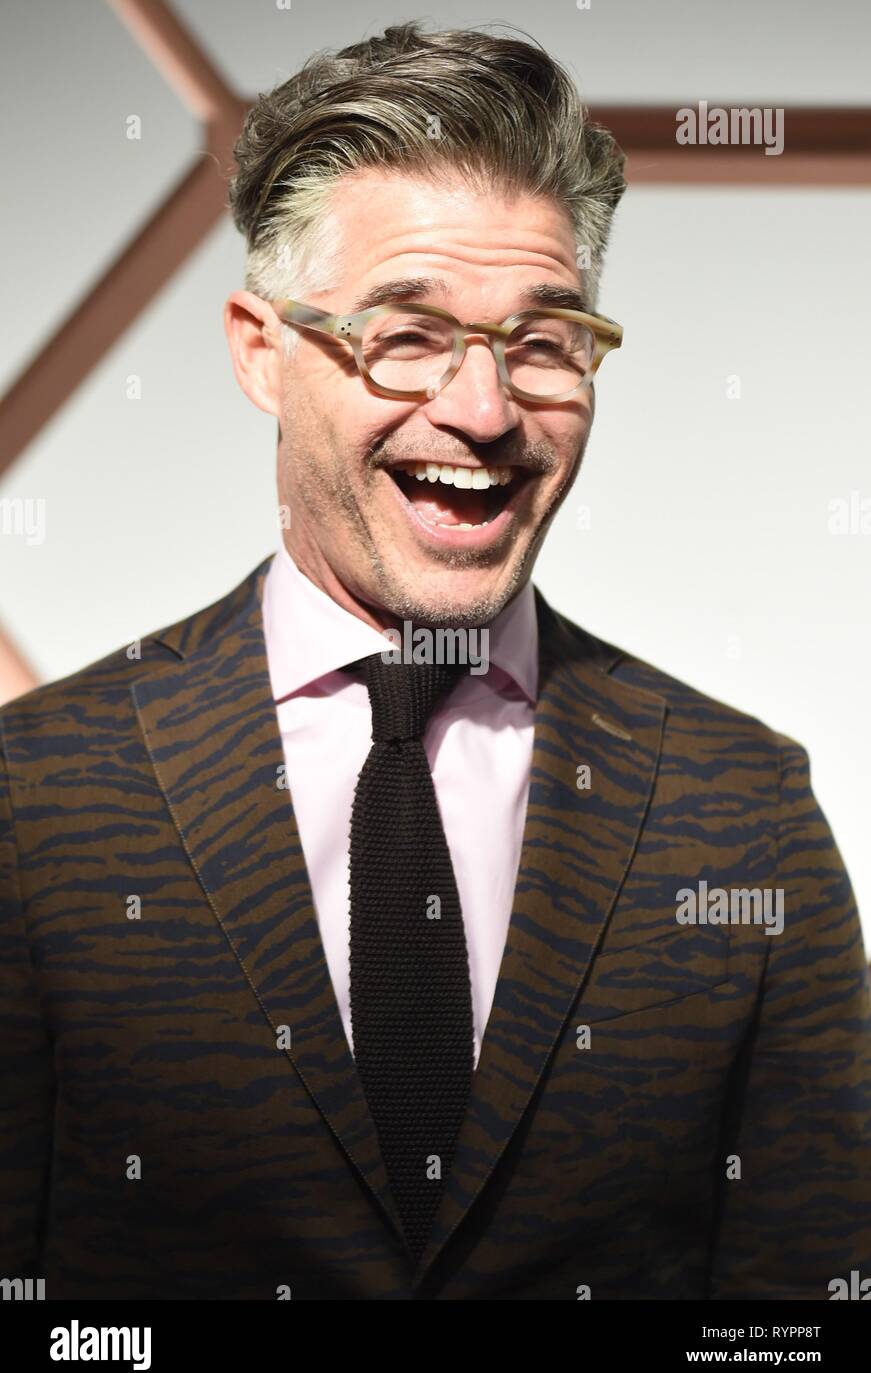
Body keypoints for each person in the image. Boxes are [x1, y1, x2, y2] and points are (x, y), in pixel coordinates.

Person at [1, 21, 868, 1301]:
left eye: (543, 339)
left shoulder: (741, 810)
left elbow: (803, 1318)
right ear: (259, 349)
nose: (483, 409)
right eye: (405, 335)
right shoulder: (35, 797)